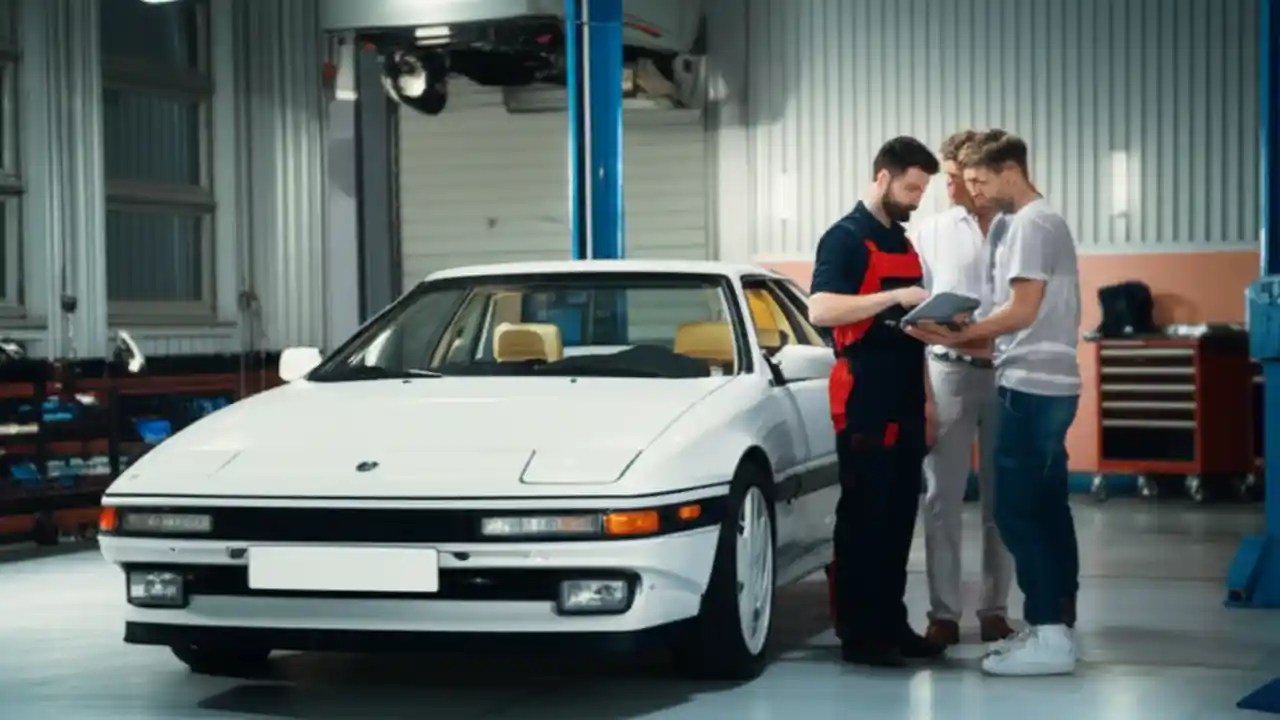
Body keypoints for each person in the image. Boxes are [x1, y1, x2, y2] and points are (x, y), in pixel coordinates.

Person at [906, 130, 1082, 677]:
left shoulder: (1024, 223)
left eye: (975, 179)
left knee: (1012, 507)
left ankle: (1027, 623)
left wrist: (964, 333)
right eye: (961, 180)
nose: (966, 189)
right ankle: (1027, 623)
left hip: (1019, 375)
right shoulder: (941, 232)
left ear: (1006, 171)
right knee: (1010, 502)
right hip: (982, 374)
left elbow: (1022, 309)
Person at [808, 136, 947, 667]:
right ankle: (860, 635)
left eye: (923, 190)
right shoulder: (844, 238)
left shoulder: (903, 242)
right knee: (864, 518)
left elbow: (910, 329)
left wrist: (928, 401)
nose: (917, 198)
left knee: (897, 518)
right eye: (912, 188)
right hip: (864, 394)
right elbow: (821, 309)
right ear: (883, 178)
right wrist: (893, 296)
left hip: (907, 393)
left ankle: (892, 624)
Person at [911, 130, 1015, 647]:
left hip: (1005, 375)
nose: (948, 187)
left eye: (956, 178)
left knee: (1003, 498)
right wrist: (925, 396)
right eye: (947, 178)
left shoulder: (1018, 228)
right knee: (940, 497)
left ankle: (995, 608)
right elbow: (915, 314)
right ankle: (944, 614)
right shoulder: (930, 232)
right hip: (947, 372)